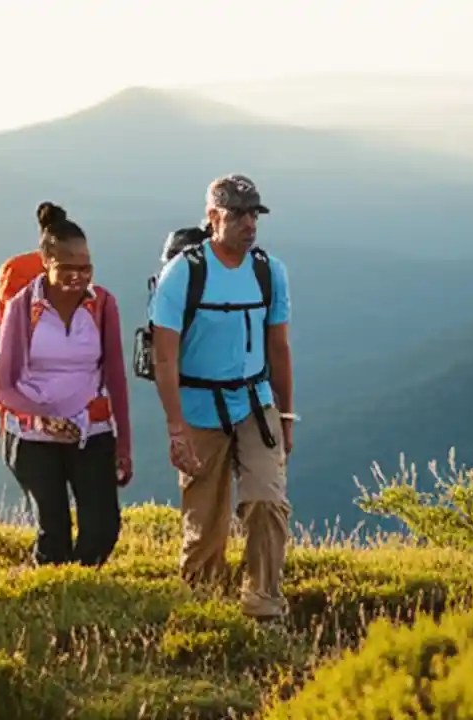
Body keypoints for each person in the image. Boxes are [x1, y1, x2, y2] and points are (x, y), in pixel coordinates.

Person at [149, 174, 296, 620]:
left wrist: (286, 415)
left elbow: (279, 347)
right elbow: (164, 358)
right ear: (213, 217)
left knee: (267, 500)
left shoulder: (270, 272)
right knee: (206, 524)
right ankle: (203, 610)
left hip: (256, 403)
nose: (249, 223)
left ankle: (264, 605)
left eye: (254, 214)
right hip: (198, 409)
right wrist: (176, 429)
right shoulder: (184, 273)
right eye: (237, 214)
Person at [0, 202, 133, 567]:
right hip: (33, 436)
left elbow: (116, 378)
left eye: (86, 267)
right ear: (46, 260)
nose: (79, 276)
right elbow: (4, 386)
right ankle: (54, 593)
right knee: (52, 533)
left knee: (103, 529)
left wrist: (124, 446)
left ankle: (78, 584)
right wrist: (44, 418)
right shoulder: (22, 308)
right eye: (68, 267)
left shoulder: (102, 305)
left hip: (92, 428)